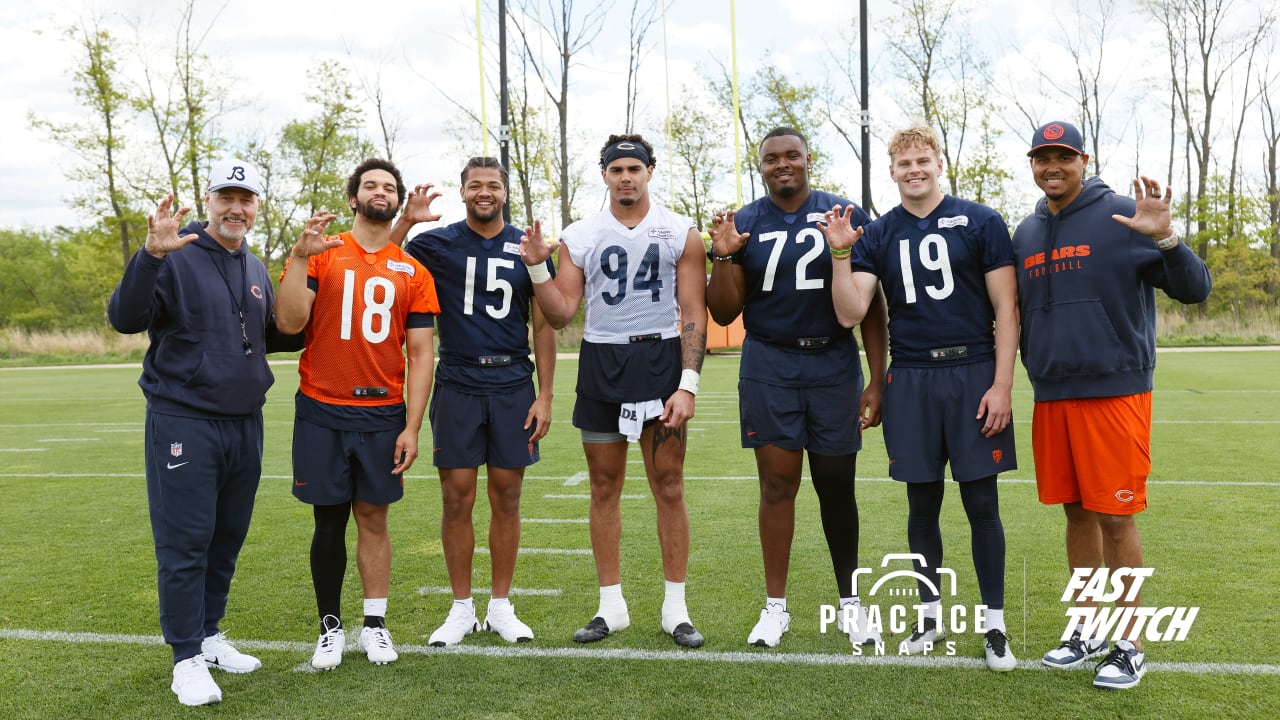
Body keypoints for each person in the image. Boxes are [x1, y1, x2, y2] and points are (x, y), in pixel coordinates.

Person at [1012, 121, 1212, 690]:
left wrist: (1167, 237)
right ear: (1033, 163)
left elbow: (1196, 290)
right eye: (1042, 157)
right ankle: (1086, 626)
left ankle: (1130, 642)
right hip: (1052, 394)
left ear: (1083, 158)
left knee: (1116, 517)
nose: (1053, 166)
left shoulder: (1123, 214)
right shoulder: (1025, 232)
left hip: (1114, 391)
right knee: (1075, 513)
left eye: (1064, 156)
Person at [819, 125, 1019, 671]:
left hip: (972, 371)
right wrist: (840, 254)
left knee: (982, 503)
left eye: (923, 159)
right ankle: (929, 617)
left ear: (939, 162)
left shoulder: (981, 220)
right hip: (911, 376)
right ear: (891, 171)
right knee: (921, 504)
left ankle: (995, 626)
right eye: (904, 162)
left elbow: (1007, 309)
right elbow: (850, 313)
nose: (914, 169)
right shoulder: (878, 233)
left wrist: (1002, 385)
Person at [108, 160, 300, 706]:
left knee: (226, 537)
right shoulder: (174, 253)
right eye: (226, 197)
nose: (236, 208)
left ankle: (210, 634)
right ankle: (185, 658)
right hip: (185, 420)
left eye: (246, 199)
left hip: (244, 421)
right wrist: (149, 255)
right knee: (185, 541)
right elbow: (125, 317)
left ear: (257, 206)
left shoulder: (255, 265)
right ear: (208, 200)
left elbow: (270, 337)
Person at [518, 134, 708, 648]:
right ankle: (611, 607)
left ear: (650, 171)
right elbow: (560, 313)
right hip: (603, 360)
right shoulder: (580, 235)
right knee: (604, 488)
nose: (626, 177)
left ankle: (676, 609)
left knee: (668, 485)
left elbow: (694, 311)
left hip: (661, 358)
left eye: (635, 168)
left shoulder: (679, 232)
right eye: (617, 169)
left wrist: (687, 384)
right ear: (603, 174)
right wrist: (537, 265)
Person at [706, 127, 889, 650]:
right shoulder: (744, 221)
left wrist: (878, 379)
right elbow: (722, 311)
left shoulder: (846, 213)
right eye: (771, 159)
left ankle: (851, 604)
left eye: (791, 156)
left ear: (810, 159)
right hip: (769, 363)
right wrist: (723, 256)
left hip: (832, 363)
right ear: (759, 165)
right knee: (777, 485)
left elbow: (871, 306)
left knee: (836, 486)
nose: (781, 164)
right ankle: (775, 607)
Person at [275, 158, 439, 671]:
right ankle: (330, 628)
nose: (380, 192)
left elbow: (421, 354)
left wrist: (412, 426)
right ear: (353, 197)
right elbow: (288, 322)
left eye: (388, 187)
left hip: (383, 412)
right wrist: (299, 259)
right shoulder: (323, 255)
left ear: (396, 201)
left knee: (374, 518)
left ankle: (375, 625)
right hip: (323, 406)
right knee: (328, 521)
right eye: (370, 185)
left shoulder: (412, 270)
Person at [390, 157, 556, 646]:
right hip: (458, 381)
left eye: (494, 185)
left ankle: (501, 605)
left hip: (512, 383)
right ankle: (462, 607)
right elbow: (381, 264)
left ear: (505, 192)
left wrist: (546, 394)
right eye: (476, 185)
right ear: (462, 192)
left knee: (507, 497)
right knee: (456, 497)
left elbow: (544, 324)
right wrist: (406, 220)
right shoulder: (436, 243)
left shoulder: (528, 245)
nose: (485, 192)